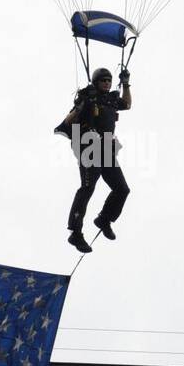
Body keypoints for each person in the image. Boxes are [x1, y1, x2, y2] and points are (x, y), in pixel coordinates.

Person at [55, 65, 132, 253]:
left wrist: (126, 84)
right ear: (96, 82)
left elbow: (127, 105)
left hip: (106, 149)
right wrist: (82, 104)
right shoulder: (88, 97)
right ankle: (75, 232)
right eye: (103, 80)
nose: (107, 83)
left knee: (122, 189)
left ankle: (104, 219)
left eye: (109, 81)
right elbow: (68, 122)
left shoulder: (111, 100)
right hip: (89, 148)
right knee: (88, 188)